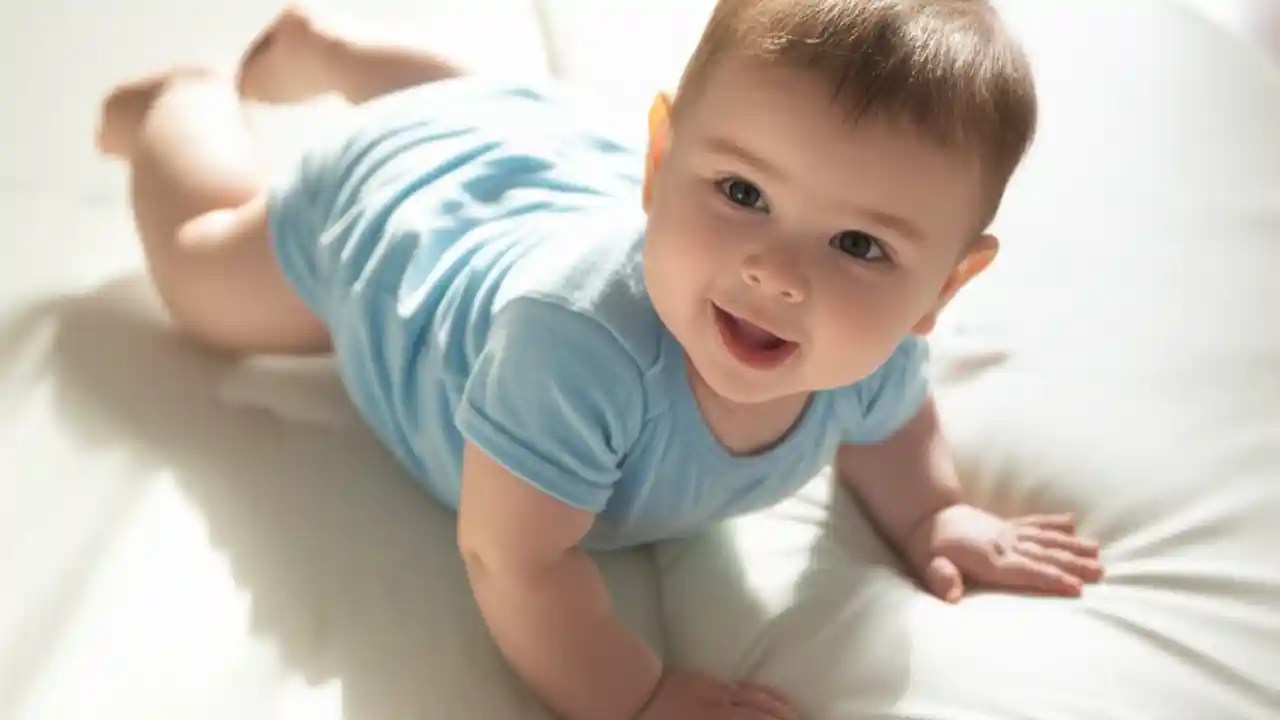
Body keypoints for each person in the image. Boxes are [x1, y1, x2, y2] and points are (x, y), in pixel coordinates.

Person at [96, 1, 1104, 718]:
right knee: (202, 286)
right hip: (393, 221)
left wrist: (933, 510)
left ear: (939, 291)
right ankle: (181, 109)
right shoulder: (570, 351)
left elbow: (888, 426)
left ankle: (350, 59)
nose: (777, 273)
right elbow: (515, 557)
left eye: (858, 246)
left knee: (498, 117)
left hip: (544, 153)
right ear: (660, 167)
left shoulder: (865, 346)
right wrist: (636, 694)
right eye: (744, 194)